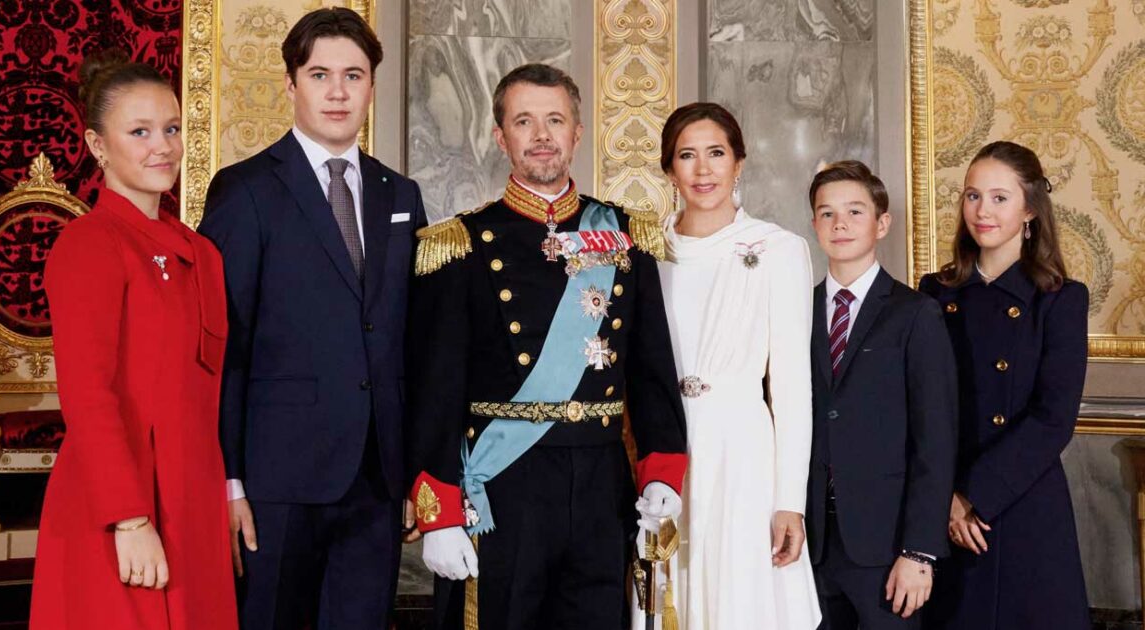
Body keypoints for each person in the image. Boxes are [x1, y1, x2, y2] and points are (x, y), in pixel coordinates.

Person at [404, 63, 688, 630]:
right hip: (505, 488)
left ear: (577, 133)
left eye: (554, 120)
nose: (541, 135)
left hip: (602, 483)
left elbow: (652, 372)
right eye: (524, 121)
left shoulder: (628, 237)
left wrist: (660, 474)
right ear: (500, 136)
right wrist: (437, 510)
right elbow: (434, 388)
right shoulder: (461, 244)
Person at [197, 8, 426, 629]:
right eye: (320, 74)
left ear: (371, 87)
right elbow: (222, 348)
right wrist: (229, 482)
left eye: (353, 75)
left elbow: (411, 341)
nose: (337, 91)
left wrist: (414, 473)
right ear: (292, 83)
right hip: (277, 480)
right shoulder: (244, 191)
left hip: (377, 478)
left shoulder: (399, 194)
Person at [30, 50, 236, 629]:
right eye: (140, 131)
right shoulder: (88, 244)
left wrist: (221, 496)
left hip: (191, 498)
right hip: (120, 503)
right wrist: (129, 520)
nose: (162, 146)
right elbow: (88, 395)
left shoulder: (202, 253)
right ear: (98, 146)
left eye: (171, 128)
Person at [645, 102, 820, 629]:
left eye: (716, 153)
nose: (703, 170)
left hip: (742, 451)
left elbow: (792, 388)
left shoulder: (778, 249)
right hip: (663, 447)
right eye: (687, 156)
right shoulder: (645, 252)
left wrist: (791, 500)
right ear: (669, 169)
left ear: (738, 163)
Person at [920, 141, 1089, 630]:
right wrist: (943, 499)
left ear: (1030, 208)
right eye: (973, 196)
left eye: (999, 198)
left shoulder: (1059, 299)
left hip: (1021, 505)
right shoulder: (934, 292)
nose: (982, 211)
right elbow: (923, 409)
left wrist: (971, 497)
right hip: (942, 508)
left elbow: (1053, 419)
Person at [806, 161, 958, 630]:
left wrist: (919, 551)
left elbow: (935, 440)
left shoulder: (916, 314)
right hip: (809, 541)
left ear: (882, 222)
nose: (840, 224)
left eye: (854, 211)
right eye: (826, 214)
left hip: (886, 544)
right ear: (814, 225)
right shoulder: (795, 309)